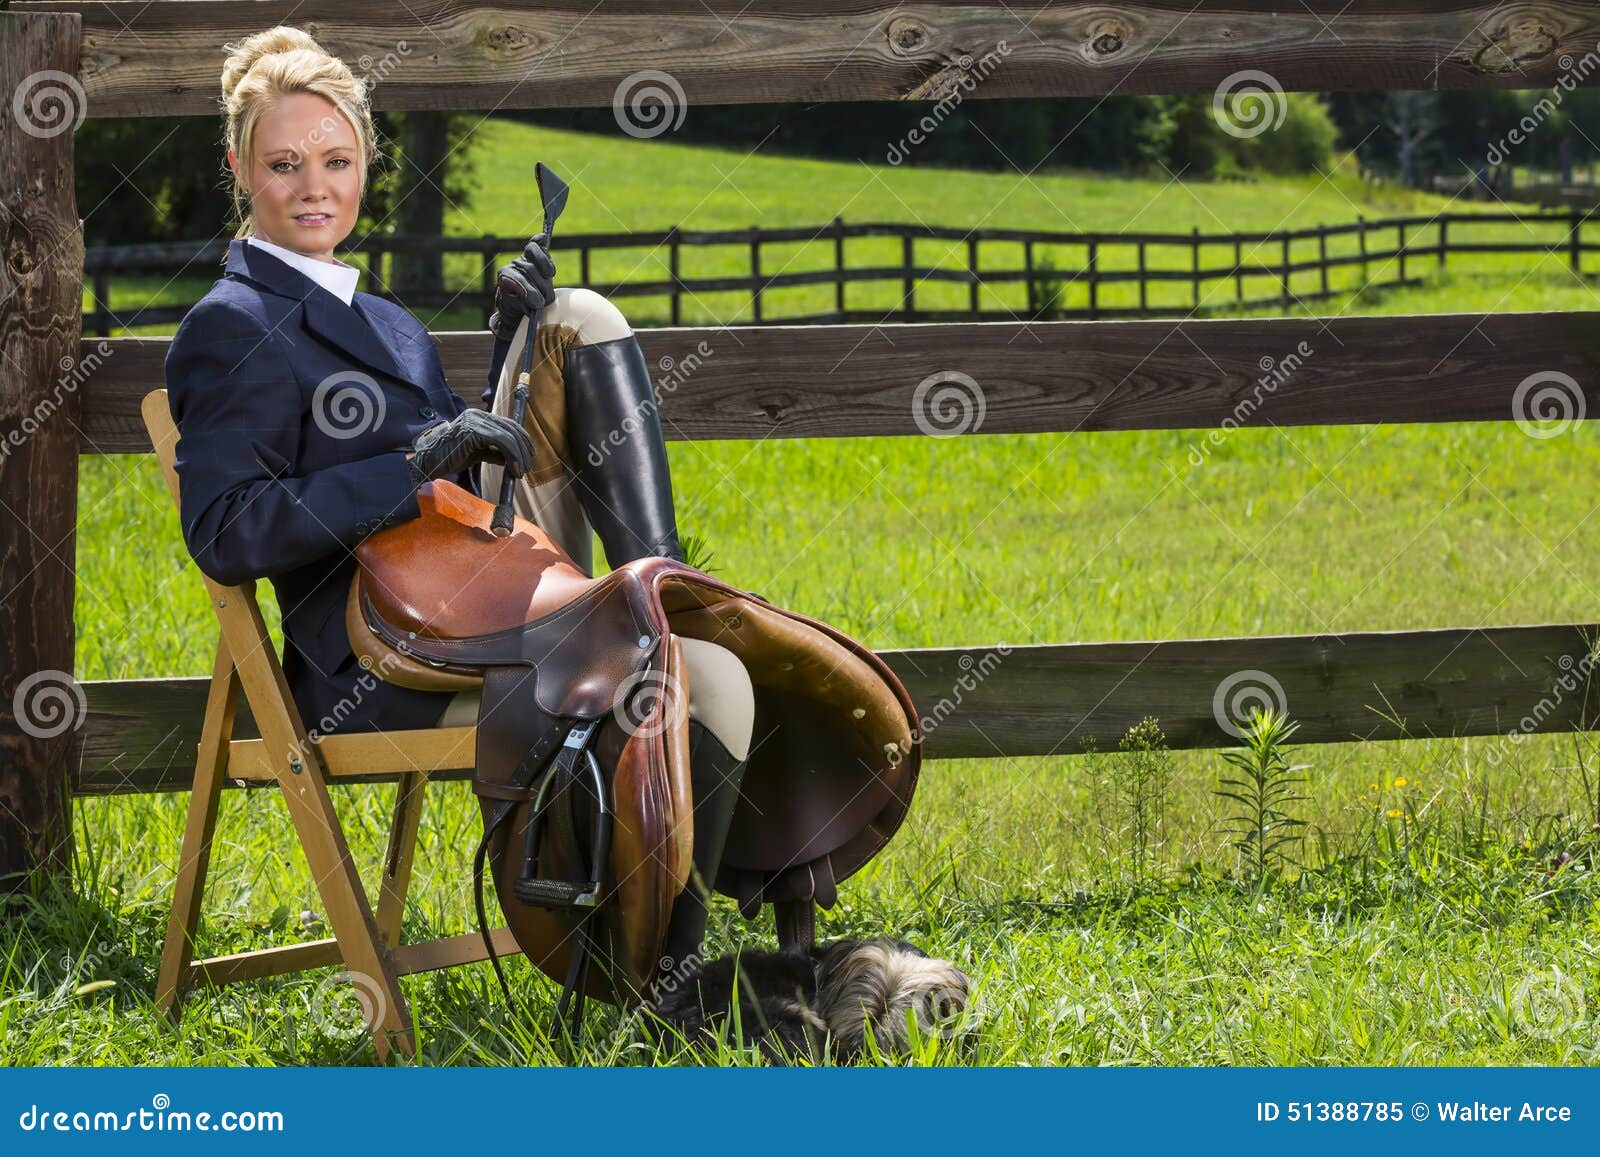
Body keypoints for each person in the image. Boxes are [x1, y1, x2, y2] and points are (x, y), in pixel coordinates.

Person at [164, 25, 750, 987]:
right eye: (284, 163)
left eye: (336, 161)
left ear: (365, 164)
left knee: (573, 316)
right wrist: (408, 464)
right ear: (239, 168)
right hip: (375, 651)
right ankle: (650, 988)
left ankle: (661, 599)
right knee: (704, 683)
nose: (315, 187)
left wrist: (509, 344)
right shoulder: (228, 324)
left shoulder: (387, 320)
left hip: (471, 586)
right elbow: (227, 531)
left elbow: (461, 484)